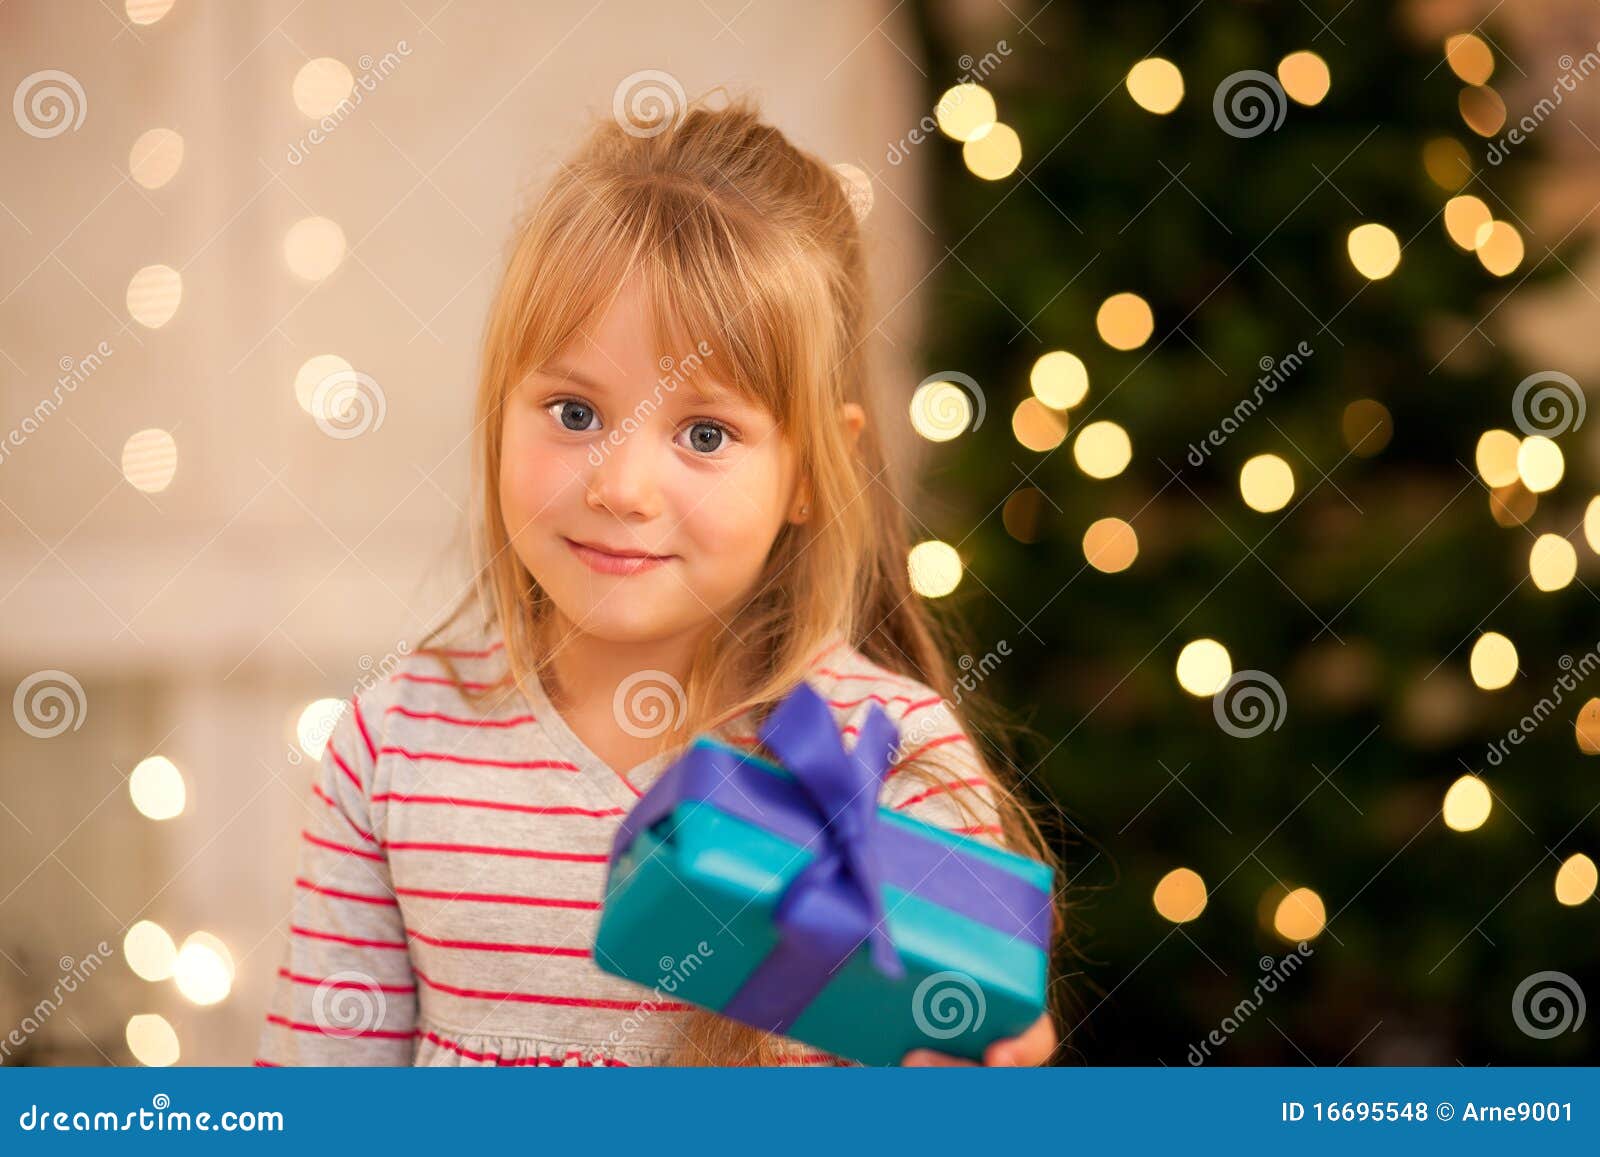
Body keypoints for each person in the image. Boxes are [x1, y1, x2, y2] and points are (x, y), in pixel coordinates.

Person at [257, 92, 1063, 1068]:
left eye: (706, 433)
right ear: (498, 410)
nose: (623, 485)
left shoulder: (889, 761)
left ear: (813, 469)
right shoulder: (391, 749)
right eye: (572, 410)